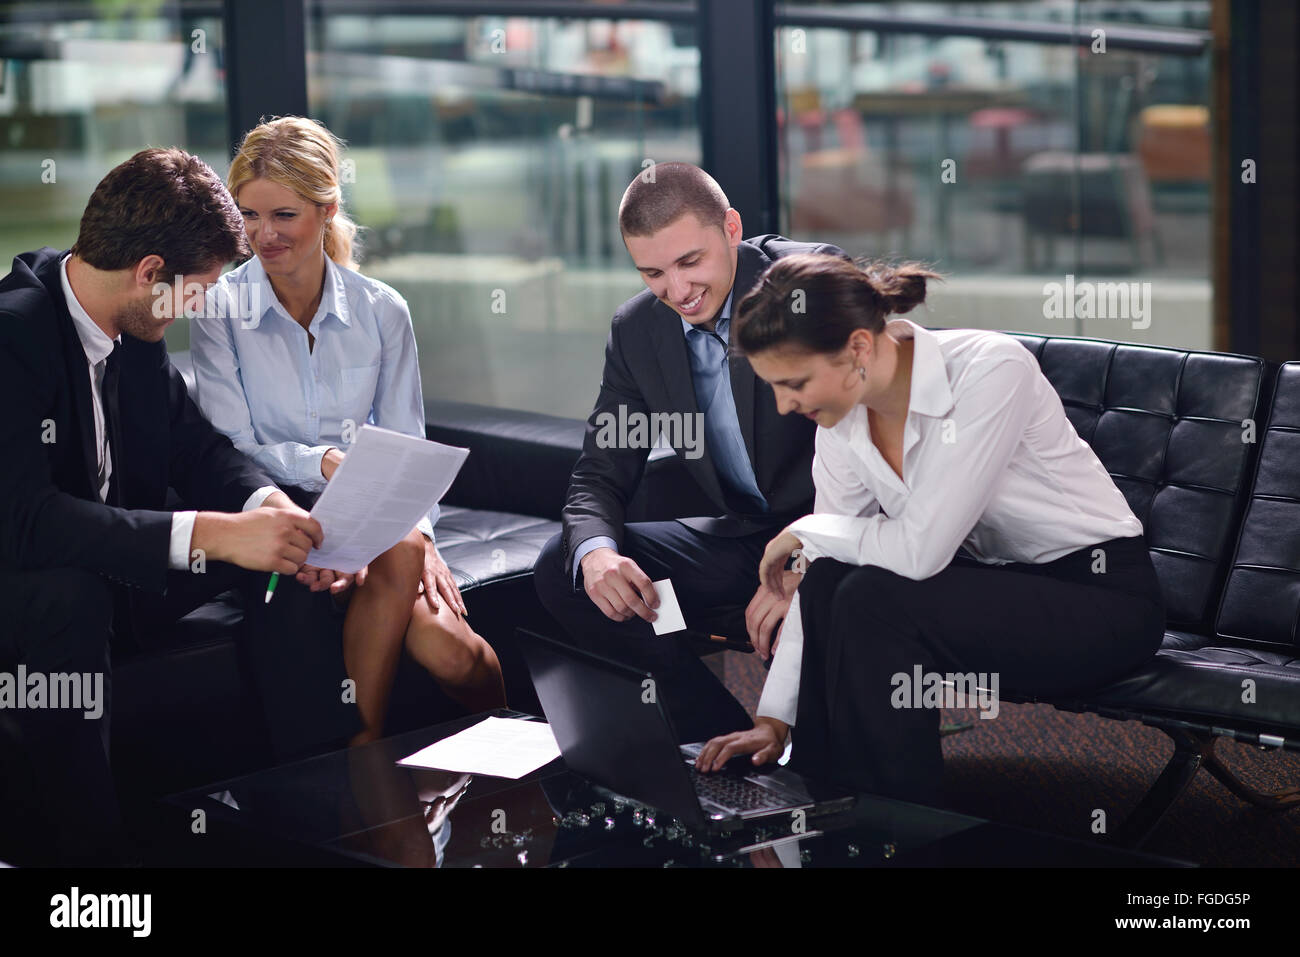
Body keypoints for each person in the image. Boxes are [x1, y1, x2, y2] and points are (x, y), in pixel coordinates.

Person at [694, 254, 1166, 806]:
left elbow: (918, 552)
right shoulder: (841, 420)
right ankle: (826, 815)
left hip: (1098, 600)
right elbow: (825, 567)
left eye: (794, 382)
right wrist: (773, 718)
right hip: (984, 591)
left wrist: (808, 530)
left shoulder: (991, 369)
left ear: (859, 348)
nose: (783, 404)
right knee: (832, 584)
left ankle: (896, 829)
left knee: (874, 599)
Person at [0, 147, 359, 866]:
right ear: (149, 273)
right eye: (197, 290)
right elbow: (26, 521)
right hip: (31, 577)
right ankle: (90, 867)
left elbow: (197, 450)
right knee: (72, 597)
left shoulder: (136, 328)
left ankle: (313, 817)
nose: (200, 306)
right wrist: (216, 536)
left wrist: (271, 512)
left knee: (287, 556)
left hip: (116, 569)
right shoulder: (15, 336)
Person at [191, 116, 506, 745]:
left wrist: (421, 533)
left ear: (326, 208)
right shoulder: (219, 308)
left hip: (376, 514)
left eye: (283, 215)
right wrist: (324, 461)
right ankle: (363, 754)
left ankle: (520, 757)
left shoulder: (382, 310)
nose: (262, 236)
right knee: (428, 618)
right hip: (277, 508)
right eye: (248, 217)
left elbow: (406, 444)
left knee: (452, 653)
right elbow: (230, 448)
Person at [531, 162, 848, 743]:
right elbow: (599, 473)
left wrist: (804, 563)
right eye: (652, 272)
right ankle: (715, 735)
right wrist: (600, 556)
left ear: (731, 228)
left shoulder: (805, 284)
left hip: (837, 535)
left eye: (689, 262)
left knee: (823, 701)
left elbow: (879, 461)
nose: (677, 291)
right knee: (567, 567)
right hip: (745, 537)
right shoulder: (638, 330)